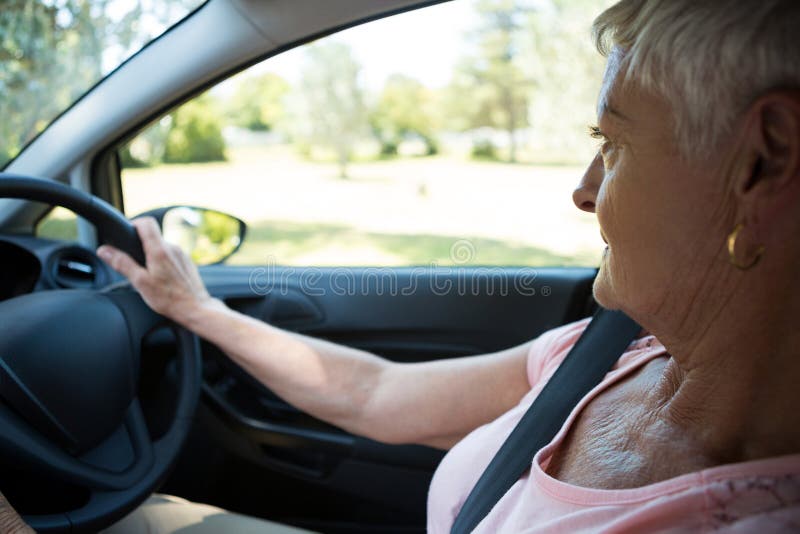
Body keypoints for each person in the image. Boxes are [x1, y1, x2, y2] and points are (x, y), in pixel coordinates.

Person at [3, 0, 800, 531]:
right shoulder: (612, 356)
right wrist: (196, 307)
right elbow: (377, 393)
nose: (583, 192)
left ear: (763, 163)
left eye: (614, 145)